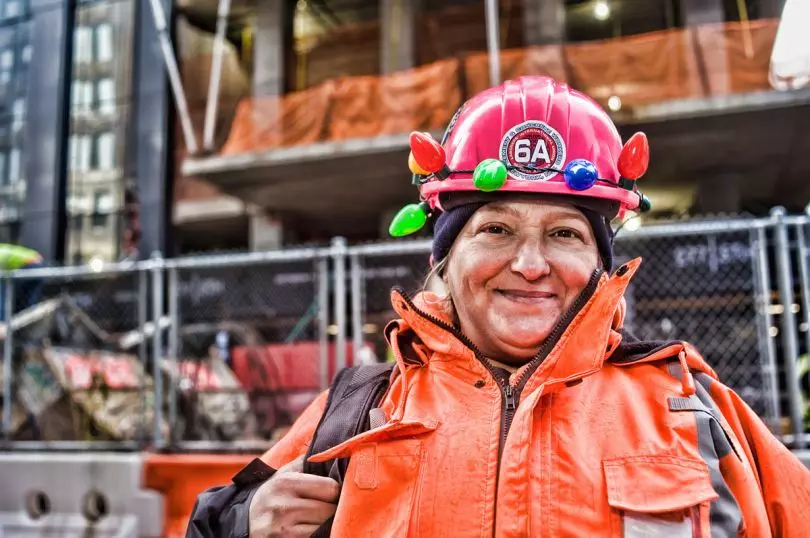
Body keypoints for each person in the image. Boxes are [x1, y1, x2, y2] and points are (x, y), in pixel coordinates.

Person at [186, 76, 810, 537]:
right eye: (497, 230)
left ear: (598, 261)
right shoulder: (356, 411)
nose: (531, 264)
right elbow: (209, 526)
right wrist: (248, 524)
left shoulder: (693, 408)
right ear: (445, 260)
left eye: (565, 233)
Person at [0, 243, 44, 320]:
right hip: (38, 263)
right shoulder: (3, 248)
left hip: (30, 264)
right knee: (28, 300)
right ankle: (29, 322)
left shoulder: (2, 252)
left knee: (4, 290)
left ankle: (2, 322)